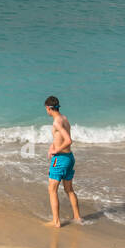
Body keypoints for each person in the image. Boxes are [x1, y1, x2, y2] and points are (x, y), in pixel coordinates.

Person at [44, 95, 81, 227]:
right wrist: (52, 147)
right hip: (69, 157)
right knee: (69, 189)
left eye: (46, 109)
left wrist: (56, 150)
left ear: (48, 108)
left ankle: (56, 222)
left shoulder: (56, 122)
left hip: (60, 159)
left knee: (52, 190)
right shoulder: (64, 118)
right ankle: (77, 217)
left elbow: (68, 140)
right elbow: (60, 137)